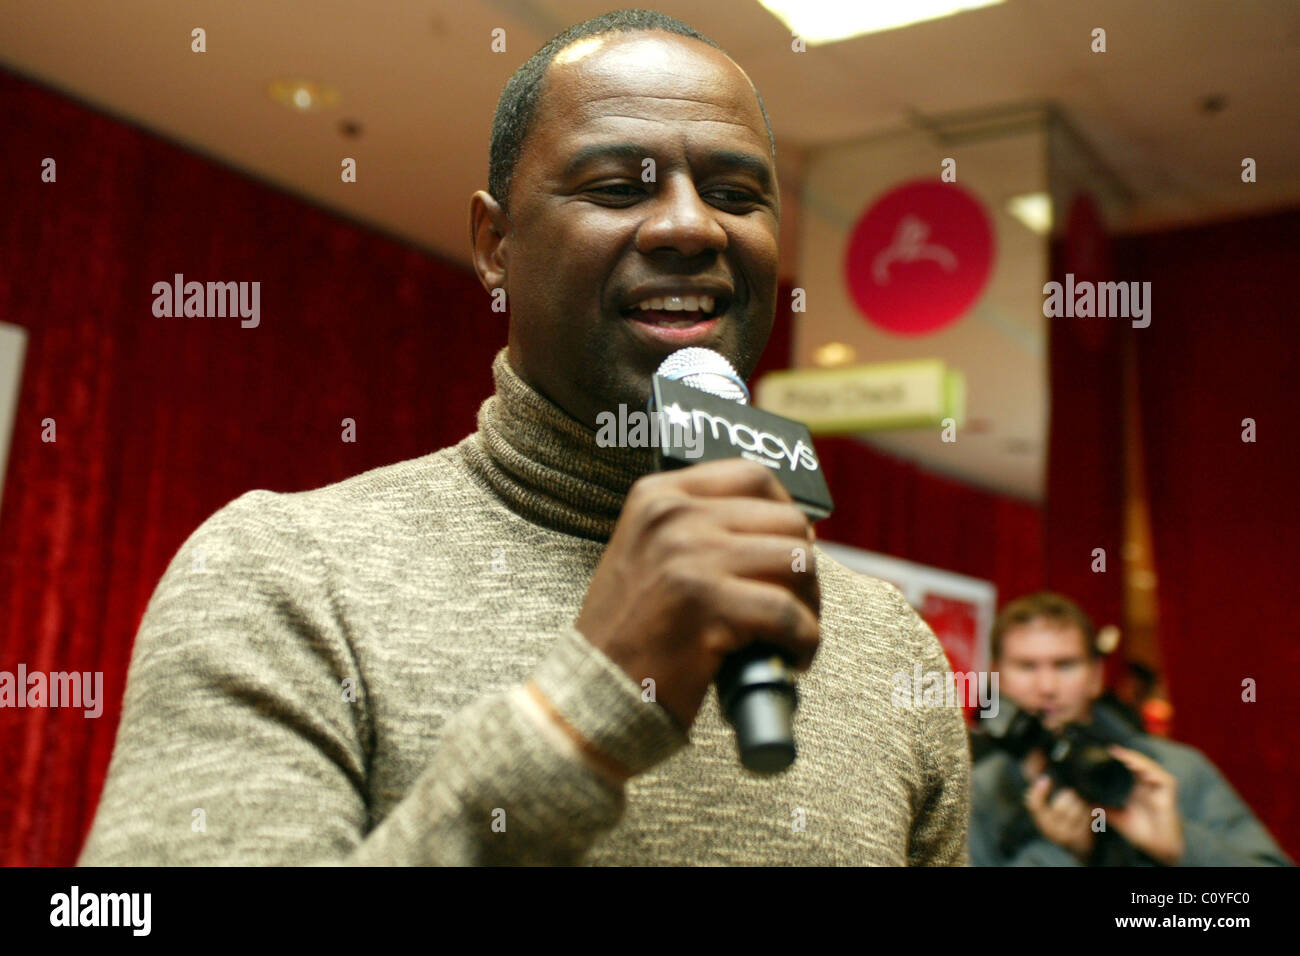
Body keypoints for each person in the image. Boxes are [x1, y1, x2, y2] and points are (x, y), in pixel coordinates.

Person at [78, 9, 969, 866]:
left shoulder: (888, 642)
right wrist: (578, 718)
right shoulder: (285, 574)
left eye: (736, 195)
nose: (693, 226)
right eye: (620, 187)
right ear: (495, 244)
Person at [970, 591, 1291, 866]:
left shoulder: (1175, 771)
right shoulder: (978, 791)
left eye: (1065, 665)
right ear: (996, 675)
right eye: (1026, 666)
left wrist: (1182, 846)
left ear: (1096, 676)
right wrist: (1064, 854)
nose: (1046, 686)